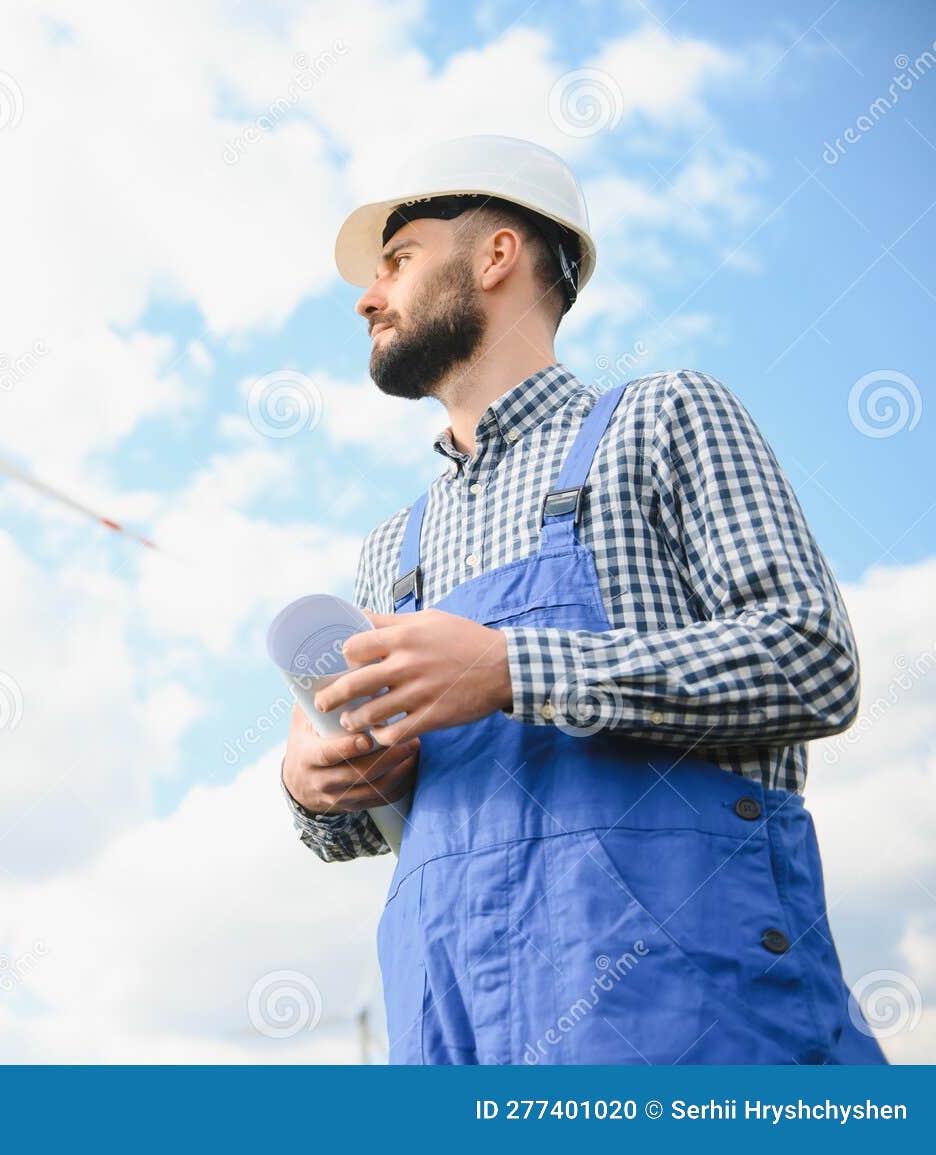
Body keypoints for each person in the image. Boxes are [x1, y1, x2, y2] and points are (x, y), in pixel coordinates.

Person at [280, 135, 885, 1065]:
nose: (367, 295)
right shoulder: (386, 556)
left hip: (689, 1030)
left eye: (398, 261)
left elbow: (812, 660)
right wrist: (322, 788)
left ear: (495, 256)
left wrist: (512, 668)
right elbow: (370, 828)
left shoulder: (665, 417)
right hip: (459, 1036)